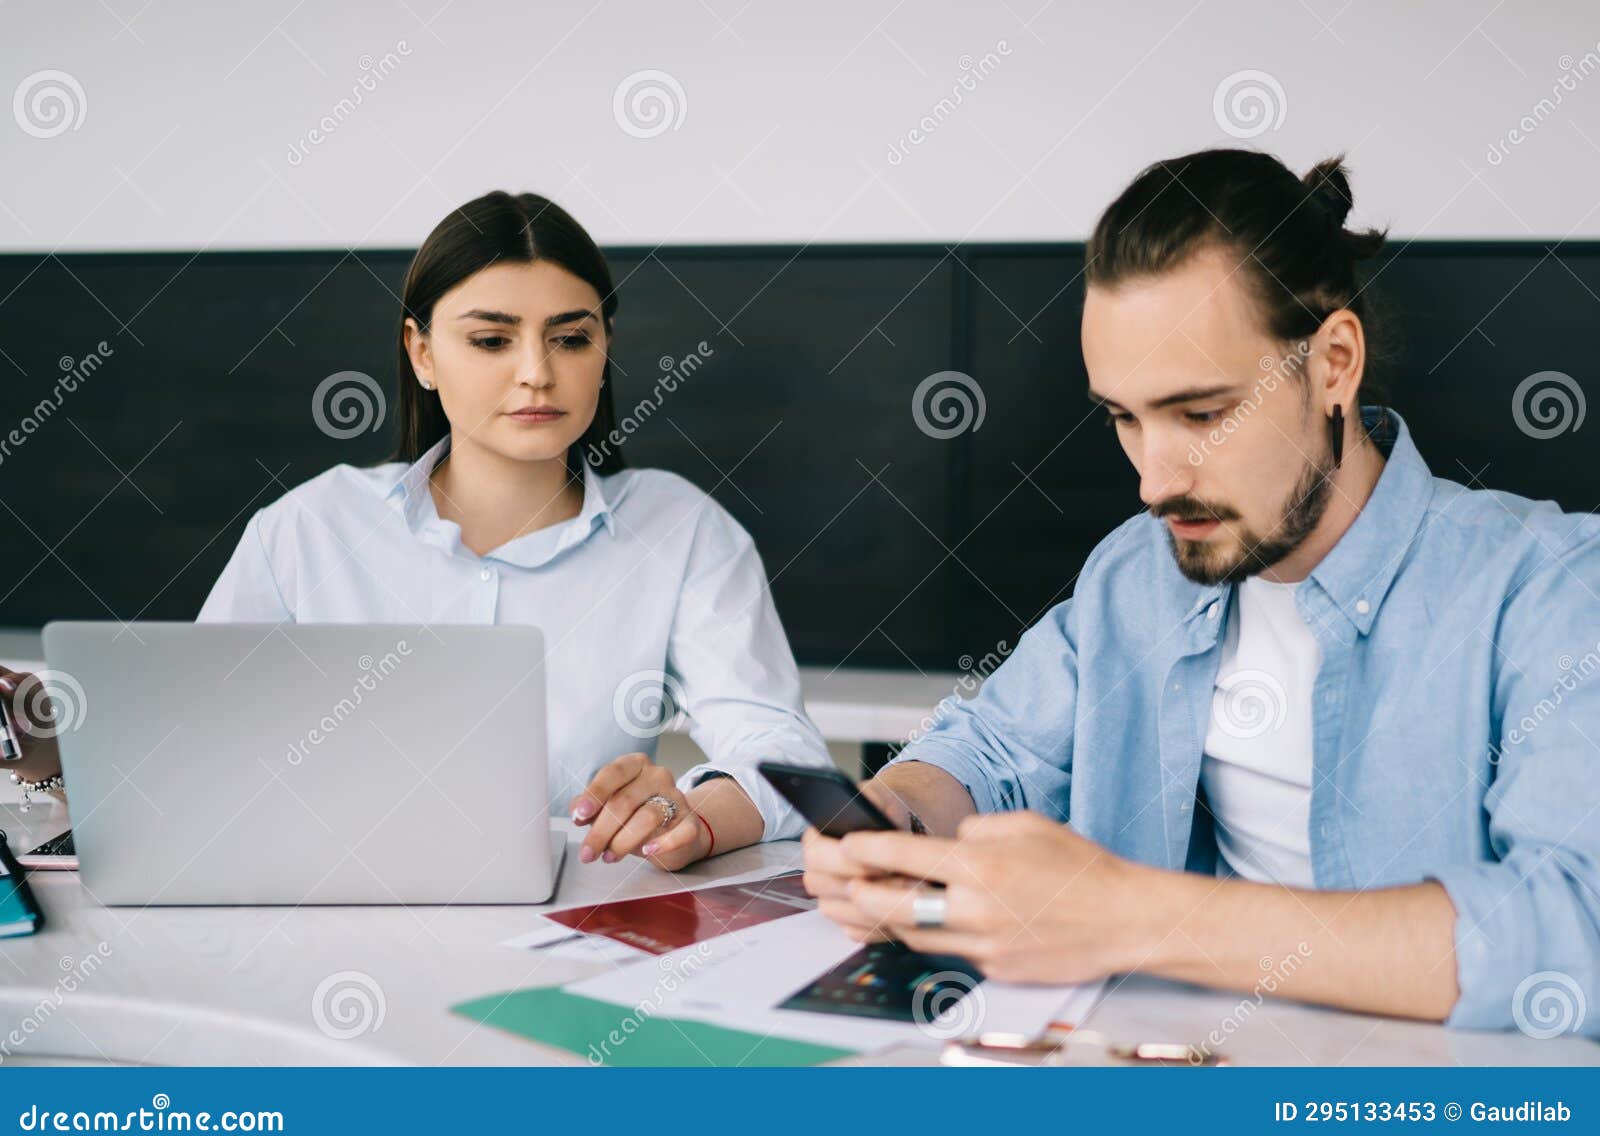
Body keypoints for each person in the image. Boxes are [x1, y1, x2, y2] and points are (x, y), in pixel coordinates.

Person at [804, 149, 1600, 1035]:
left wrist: (1129, 916)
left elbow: (1578, 930)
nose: (1153, 481)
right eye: (1124, 418)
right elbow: (989, 749)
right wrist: (897, 817)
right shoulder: (1132, 576)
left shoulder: (1551, 587)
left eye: (1202, 414)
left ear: (1333, 362)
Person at [2, 191, 828, 871]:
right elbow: (192, 757)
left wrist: (691, 811)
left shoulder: (680, 530)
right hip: (325, 930)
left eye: (571, 337)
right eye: (491, 338)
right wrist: (46, 747)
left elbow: (785, 757)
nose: (537, 370)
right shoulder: (311, 529)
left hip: (570, 934)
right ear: (422, 353)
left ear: (604, 348)